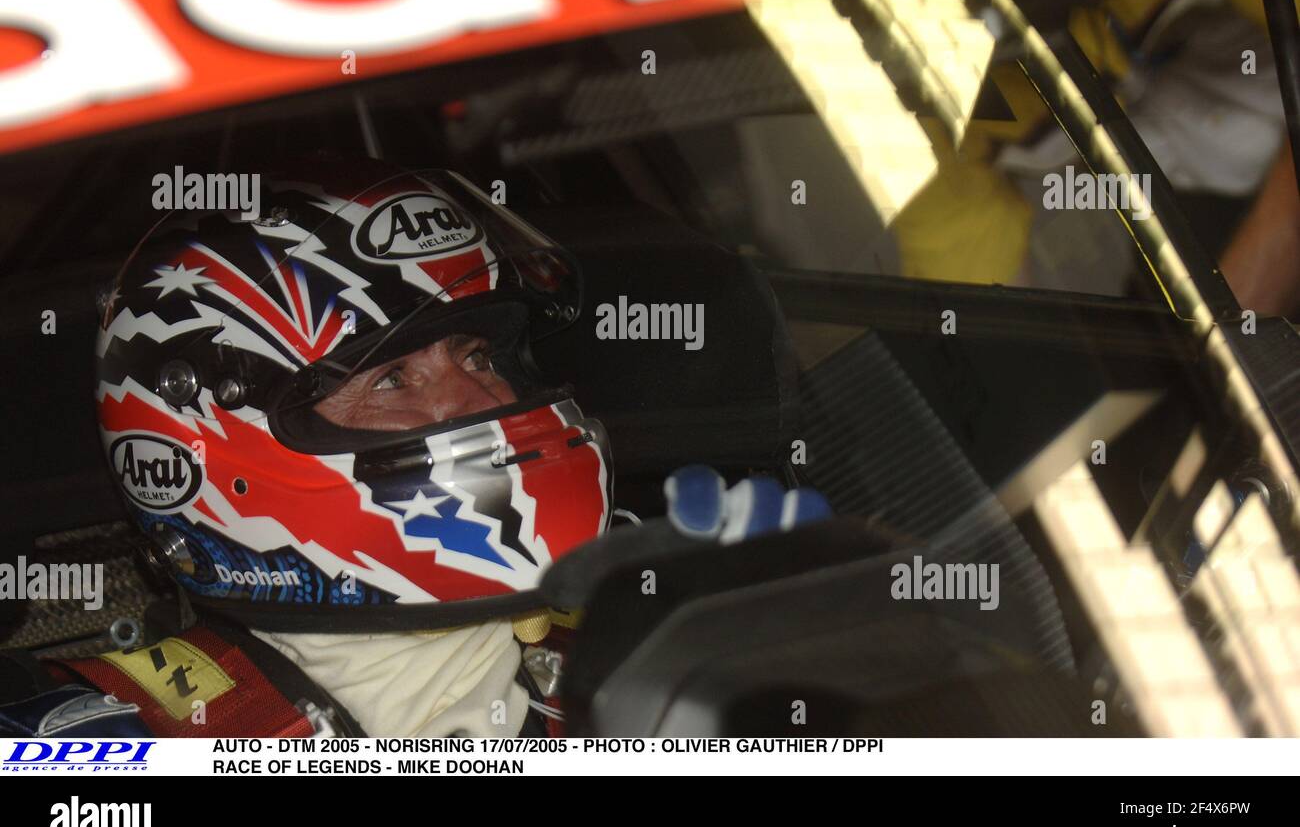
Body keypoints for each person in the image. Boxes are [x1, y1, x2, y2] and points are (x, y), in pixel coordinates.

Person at [0, 157, 824, 739]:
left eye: (477, 356)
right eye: (392, 378)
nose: (486, 401)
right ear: (213, 446)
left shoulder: (655, 663)